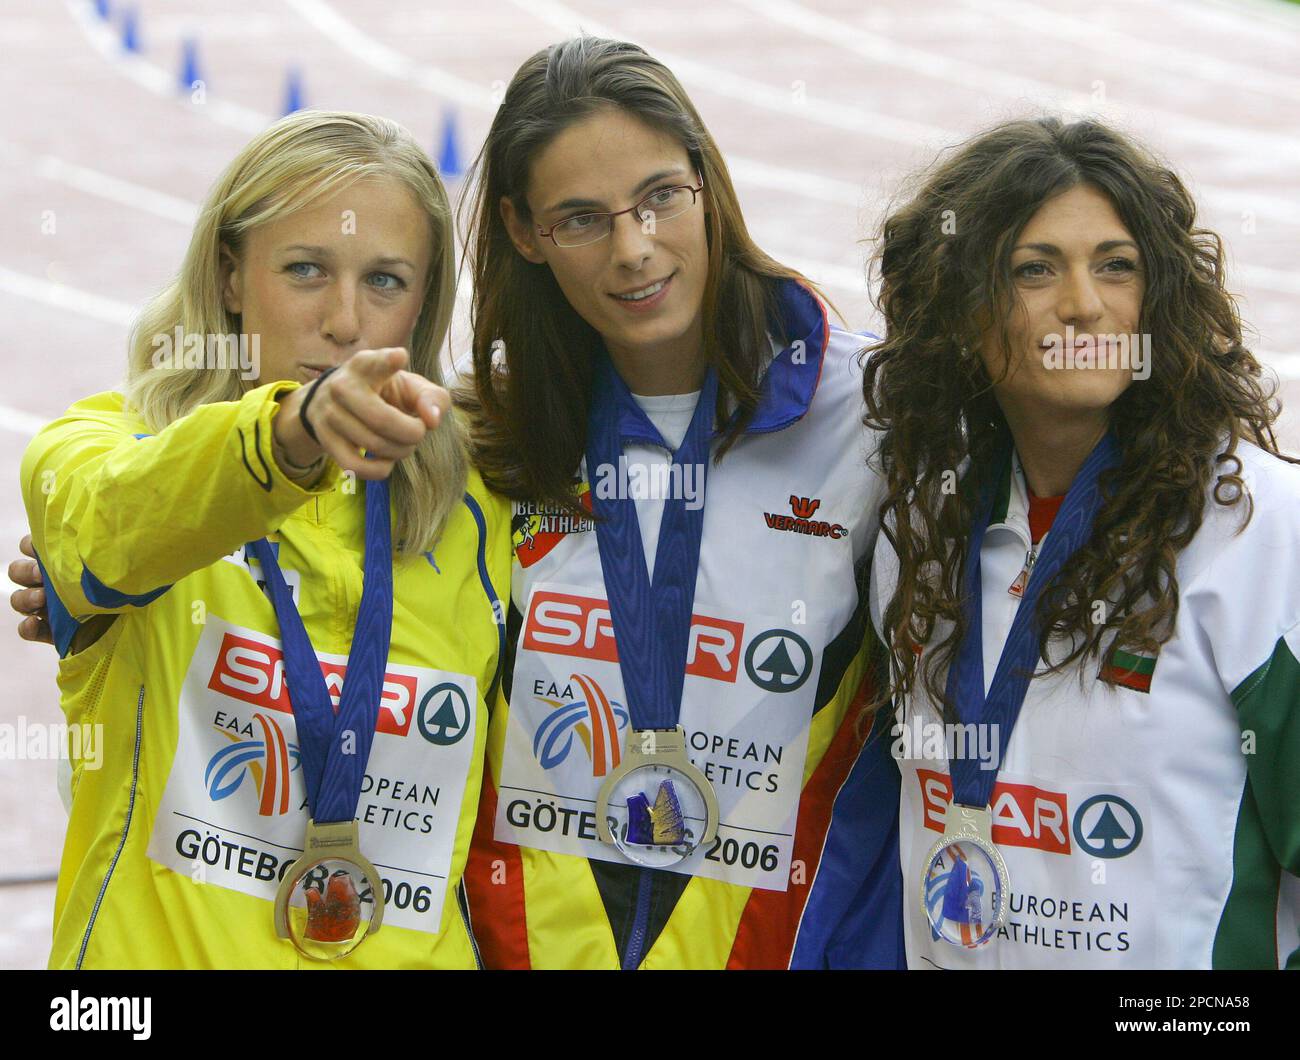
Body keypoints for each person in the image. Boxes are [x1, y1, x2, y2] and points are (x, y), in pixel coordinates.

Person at [15, 110, 510, 968]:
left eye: (387, 280)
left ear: (425, 302)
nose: (346, 320)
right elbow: (111, 521)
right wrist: (291, 435)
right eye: (306, 269)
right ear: (230, 272)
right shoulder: (101, 454)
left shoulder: (475, 509)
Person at [453, 36, 902, 970]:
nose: (633, 249)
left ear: (706, 180)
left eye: (660, 196)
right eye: (580, 219)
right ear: (524, 232)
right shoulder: (487, 441)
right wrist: (107, 587)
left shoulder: (863, 414)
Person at [858, 116, 1300, 968]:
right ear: (959, 309)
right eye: (1033, 270)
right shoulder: (919, 523)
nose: (1084, 304)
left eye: (1116, 266)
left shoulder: (1257, 528)